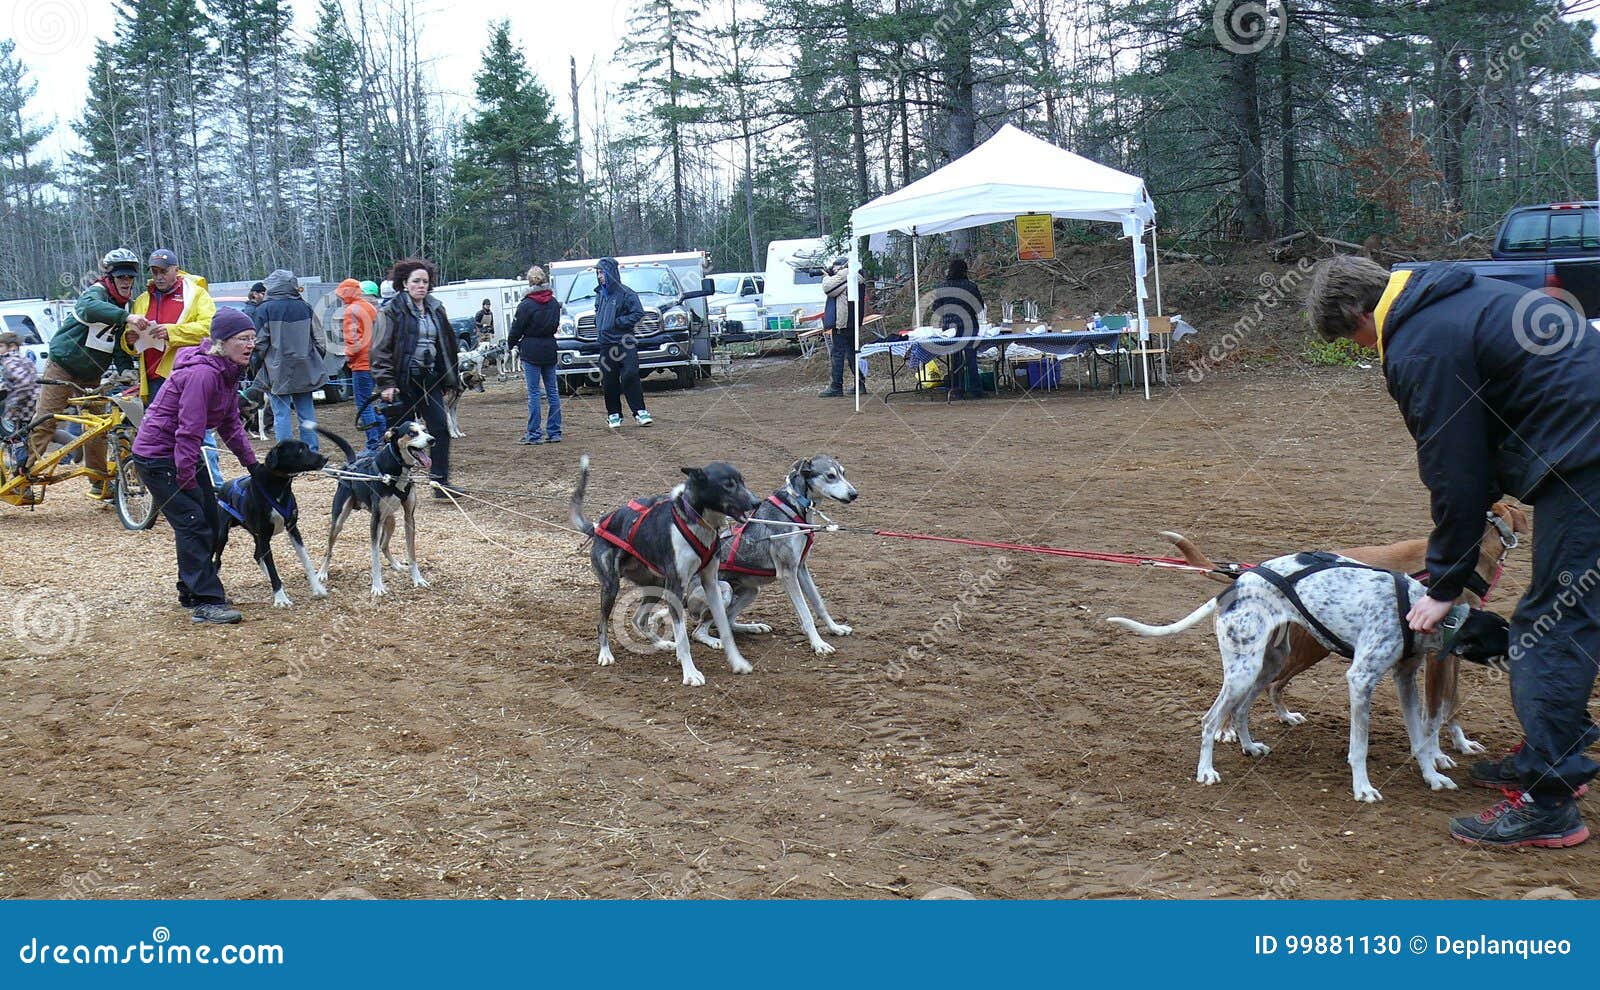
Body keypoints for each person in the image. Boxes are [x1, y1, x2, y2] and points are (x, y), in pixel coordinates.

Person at [1307, 255, 1600, 848]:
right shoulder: (1457, 297)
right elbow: (1487, 436)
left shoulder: (1418, 344)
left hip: (1588, 460)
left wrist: (1443, 586)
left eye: (1356, 340)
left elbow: (1455, 474)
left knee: (1549, 627)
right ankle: (1554, 750)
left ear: (1362, 315)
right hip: (1583, 445)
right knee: (1569, 617)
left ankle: (1549, 801)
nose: (1366, 350)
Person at [131, 308, 261, 625]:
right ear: (221, 342)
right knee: (192, 522)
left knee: (209, 519)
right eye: (243, 339)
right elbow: (188, 430)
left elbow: (231, 424)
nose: (250, 345)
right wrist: (186, 475)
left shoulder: (226, 372)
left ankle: (190, 591)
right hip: (159, 456)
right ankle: (206, 602)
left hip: (181, 454)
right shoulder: (203, 375)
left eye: (253, 338)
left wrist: (254, 466)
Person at [28, 249, 145, 500]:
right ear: (110, 278)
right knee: (46, 421)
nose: (126, 282)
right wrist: (127, 316)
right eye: (121, 277)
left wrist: (126, 368)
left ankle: (99, 481)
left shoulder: (126, 305)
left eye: (130, 277)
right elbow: (88, 307)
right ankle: (24, 477)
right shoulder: (96, 293)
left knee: (98, 428)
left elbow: (117, 342)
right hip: (63, 367)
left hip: (92, 375)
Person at [371, 257, 460, 497]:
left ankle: (440, 483)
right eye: (416, 281)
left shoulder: (435, 308)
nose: (421, 285)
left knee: (440, 429)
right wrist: (386, 383)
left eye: (425, 281)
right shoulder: (391, 311)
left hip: (429, 379)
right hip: (402, 382)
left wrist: (448, 378)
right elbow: (380, 349)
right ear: (404, 283)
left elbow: (446, 345)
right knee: (398, 435)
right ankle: (392, 482)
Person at [251, 269, 327, 452]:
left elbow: (259, 344)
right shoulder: (305, 307)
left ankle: (286, 456)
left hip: (276, 370)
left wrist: (257, 366)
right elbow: (320, 340)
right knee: (306, 413)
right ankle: (311, 452)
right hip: (305, 367)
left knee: (281, 414)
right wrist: (314, 360)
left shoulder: (264, 309)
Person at [126, 248, 216, 402]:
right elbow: (131, 340)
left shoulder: (196, 294)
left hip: (188, 375)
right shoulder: (142, 300)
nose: (159, 277)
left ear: (176, 270)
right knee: (158, 425)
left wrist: (171, 332)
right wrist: (129, 341)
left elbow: (210, 328)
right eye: (155, 272)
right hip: (153, 378)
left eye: (164, 271)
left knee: (193, 422)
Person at [593, 257, 652, 429]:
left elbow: (638, 313)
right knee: (609, 380)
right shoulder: (600, 294)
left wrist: (619, 322)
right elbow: (598, 313)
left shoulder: (627, 293)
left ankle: (640, 411)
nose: (599, 276)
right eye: (597, 273)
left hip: (625, 343)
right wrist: (601, 325)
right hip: (606, 344)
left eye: (601, 273)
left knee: (630, 375)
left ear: (610, 273)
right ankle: (613, 414)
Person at [507, 265, 562, 445]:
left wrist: (511, 344)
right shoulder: (554, 302)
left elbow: (516, 329)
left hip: (531, 349)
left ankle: (534, 433)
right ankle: (554, 432)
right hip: (549, 347)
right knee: (553, 392)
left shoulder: (526, 305)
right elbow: (555, 325)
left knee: (534, 393)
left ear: (530, 282)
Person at [334, 278, 383, 453]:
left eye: (341, 294)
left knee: (364, 404)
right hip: (375, 363)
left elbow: (352, 339)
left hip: (361, 364)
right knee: (372, 402)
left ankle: (373, 444)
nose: (340, 298)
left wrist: (349, 356)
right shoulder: (370, 307)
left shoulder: (351, 311)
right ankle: (383, 438)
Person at [930, 256, 987, 400]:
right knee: (971, 358)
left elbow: (936, 308)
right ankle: (975, 390)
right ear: (965, 270)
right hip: (969, 325)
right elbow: (979, 307)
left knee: (955, 359)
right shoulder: (971, 286)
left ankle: (956, 389)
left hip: (950, 328)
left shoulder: (942, 287)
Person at [819, 258, 867, 397]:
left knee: (838, 354)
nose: (834, 269)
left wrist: (826, 277)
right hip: (853, 320)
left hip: (843, 321)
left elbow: (828, 288)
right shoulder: (856, 275)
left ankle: (836, 386)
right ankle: (860, 384)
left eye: (835, 267)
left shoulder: (846, 274)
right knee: (852, 353)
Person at [0, 331, 39, 431]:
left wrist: (14, 404)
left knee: (20, 436)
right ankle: (75, 441)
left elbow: (24, 384)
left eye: (1, 346)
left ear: (12, 346)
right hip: (35, 402)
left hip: (24, 407)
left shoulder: (10, 361)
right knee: (40, 430)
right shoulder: (24, 359)